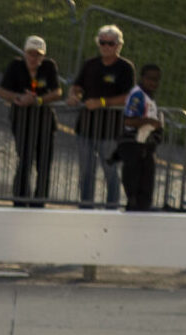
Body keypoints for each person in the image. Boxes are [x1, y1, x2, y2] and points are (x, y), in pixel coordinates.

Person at [70, 25, 131, 209]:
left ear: (118, 45)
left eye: (110, 43)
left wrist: (102, 102)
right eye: (102, 42)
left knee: (111, 172)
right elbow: (77, 85)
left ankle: (112, 208)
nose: (106, 47)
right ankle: (86, 207)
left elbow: (127, 97)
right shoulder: (90, 64)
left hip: (110, 131)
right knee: (86, 172)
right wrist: (74, 95)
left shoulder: (125, 68)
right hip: (86, 128)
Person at [0, 35, 59, 207]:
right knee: (24, 160)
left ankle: (40, 201)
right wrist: (19, 97)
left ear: (43, 56)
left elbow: (57, 92)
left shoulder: (49, 67)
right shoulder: (15, 66)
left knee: (44, 163)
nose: (34, 58)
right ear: (25, 53)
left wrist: (38, 100)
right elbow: (1, 91)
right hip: (22, 121)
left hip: (44, 122)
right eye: (31, 54)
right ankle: (20, 199)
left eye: (38, 55)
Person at [117, 63, 161, 212]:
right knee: (135, 192)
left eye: (156, 80)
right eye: (150, 79)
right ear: (142, 78)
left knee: (146, 192)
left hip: (146, 148)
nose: (153, 83)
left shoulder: (149, 96)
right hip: (133, 147)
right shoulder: (137, 95)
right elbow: (128, 120)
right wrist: (150, 122)